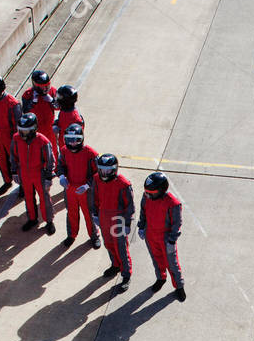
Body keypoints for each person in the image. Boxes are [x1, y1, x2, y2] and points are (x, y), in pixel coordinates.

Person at [138, 171, 185, 301]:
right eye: (146, 192)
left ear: (161, 190)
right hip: (150, 235)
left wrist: (172, 241)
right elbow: (143, 211)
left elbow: (177, 223)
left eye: (151, 193)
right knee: (156, 259)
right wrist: (141, 227)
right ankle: (161, 278)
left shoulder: (173, 203)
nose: (147, 195)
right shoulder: (147, 196)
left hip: (165, 238)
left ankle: (179, 287)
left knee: (172, 264)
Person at [90, 153, 133, 291]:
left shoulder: (123, 184)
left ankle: (126, 275)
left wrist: (127, 223)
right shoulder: (97, 179)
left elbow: (129, 206)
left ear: (114, 169)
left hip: (118, 219)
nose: (104, 172)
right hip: (103, 217)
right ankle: (115, 265)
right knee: (108, 244)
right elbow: (94, 197)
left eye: (108, 170)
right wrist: (95, 213)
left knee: (121, 248)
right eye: (102, 169)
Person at [57, 122, 100, 250]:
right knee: (71, 213)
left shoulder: (90, 153)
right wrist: (61, 176)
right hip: (69, 188)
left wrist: (87, 185)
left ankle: (94, 236)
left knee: (89, 214)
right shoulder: (64, 151)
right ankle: (71, 235)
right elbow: (60, 166)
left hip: (86, 190)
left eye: (76, 140)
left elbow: (98, 174)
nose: (72, 143)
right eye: (69, 140)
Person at [12, 111, 56, 235]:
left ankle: (49, 221)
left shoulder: (43, 141)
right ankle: (32, 218)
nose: (23, 134)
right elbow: (13, 155)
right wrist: (14, 171)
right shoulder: (16, 138)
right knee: (28, 197)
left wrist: (48, 176)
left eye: (26, 131)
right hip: (24, 173)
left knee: (44, 198)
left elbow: (50, 159)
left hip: (39, 173)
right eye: (21, 130)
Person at [21, 69, 57, 154]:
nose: (45, 88)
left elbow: (59, 106)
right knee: (39, 153)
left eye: (47, 85)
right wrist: (33, 102)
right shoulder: (28, 95)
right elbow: (25, 111)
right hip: (36, 131)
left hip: (50, 128)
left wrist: (51, 100)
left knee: (53, 152)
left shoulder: (52, 91)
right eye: (42, 86)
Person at [53, 84, 83, 155]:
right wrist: (56, 124)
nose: (57, 99)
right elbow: (61, 121)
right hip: (63, 147)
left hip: (70, 151)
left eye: (60, 97)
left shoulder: (75, 118)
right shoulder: (64, 111)